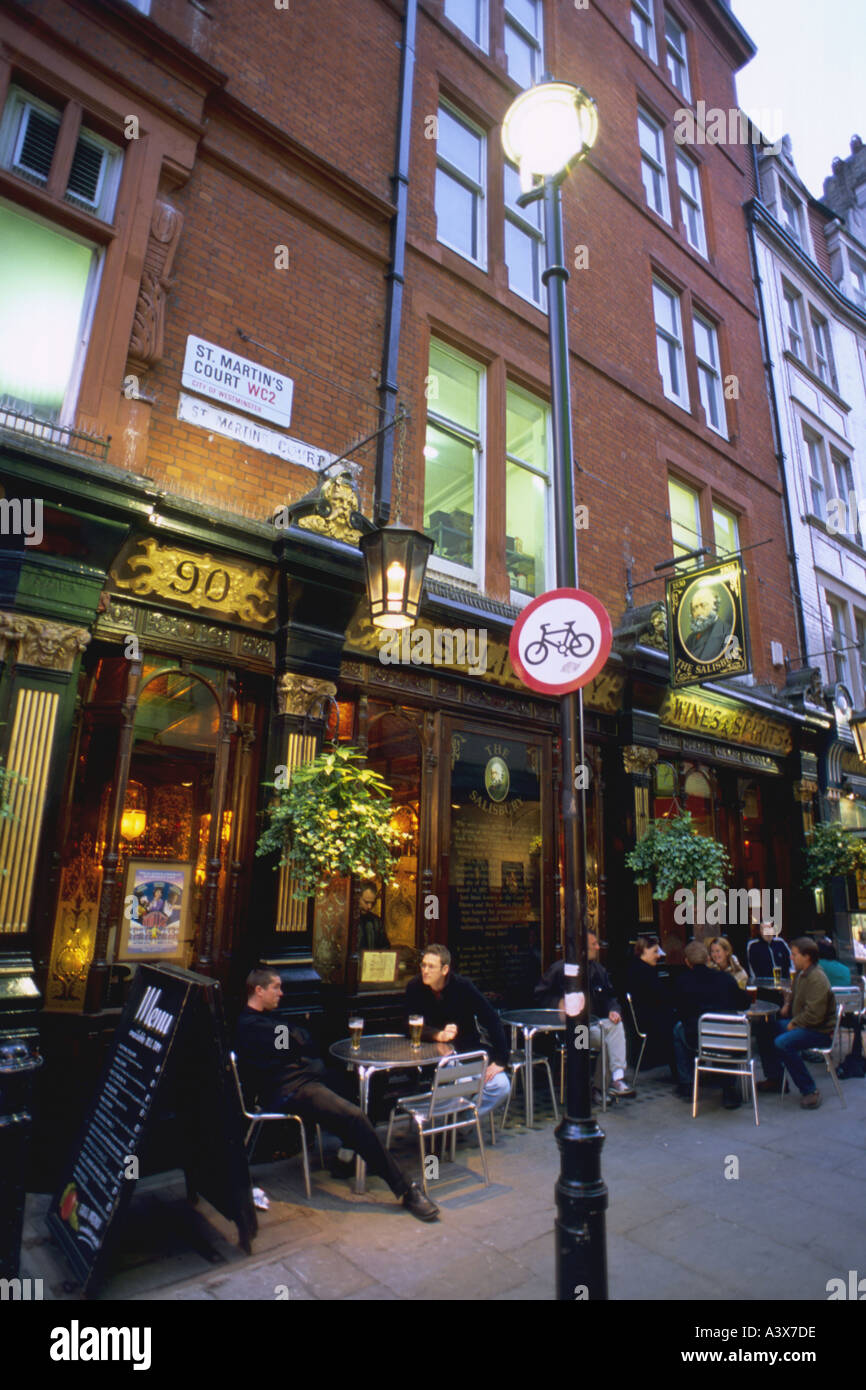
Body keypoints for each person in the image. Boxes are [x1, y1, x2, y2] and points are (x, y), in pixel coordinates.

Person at [235, 968, 438, 1221]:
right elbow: (295, 1040)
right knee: (353, 1115)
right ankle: (407, 1189)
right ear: (259, 990)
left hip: (304, 1079)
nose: (281, 993)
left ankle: (349, 1155)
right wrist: (295, 1036)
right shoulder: (250, 1024)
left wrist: (296, 1037)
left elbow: (298, 1041)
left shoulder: (268, 1019)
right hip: (289, 1091)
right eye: (276, 987)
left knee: (371, 1084)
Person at [403, 945, 511, 1116]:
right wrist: (438, 1034)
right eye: (423, 965)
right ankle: (449, 1129)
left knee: (501, 1086)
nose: (425, 970)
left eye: (431, 966)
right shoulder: (415, 987)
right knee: (464, 1081)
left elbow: (491, 1018)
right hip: (435, 1059)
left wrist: (500, 1060)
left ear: (445, 969)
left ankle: (462, 1124)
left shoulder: (462, 986)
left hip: (468, 1052)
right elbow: (409, 1027)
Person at [535, 931, 636, 1099]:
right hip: (573, 1031)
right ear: (582, 948)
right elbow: (540, 995)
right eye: (594, 944)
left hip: (594, 1026)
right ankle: (596, 1090)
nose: (598, 947)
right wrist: (558, 1004)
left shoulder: (599, 970)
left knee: (615, 1027)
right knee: (606, 1041)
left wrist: (614, 1010)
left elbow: (611, 996)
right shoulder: (560, 969)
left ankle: (617, 1078)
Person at [755, 938, 837, 1108]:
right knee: (764, 1028)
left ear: (806, 956)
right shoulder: (801, 975)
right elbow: (794, 998)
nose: (791, 958)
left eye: (794, 954)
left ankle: (810, 1090)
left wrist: (794, 1023)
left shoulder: (817, 978)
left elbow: (815, 1015)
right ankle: (775, 1078)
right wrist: (786, 1005)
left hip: (819, 1031)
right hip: (806, 1025)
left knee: (782, 1043)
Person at [673, 940, 748, 1106]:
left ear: (687, 962)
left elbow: (680, 1010)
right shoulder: (726, 979)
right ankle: (729, 1089)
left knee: (678, 1029)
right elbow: (744, 1003)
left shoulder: (682, 981)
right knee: (723, 1032)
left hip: (698, 1040)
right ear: (708, 958)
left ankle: (686, 1083)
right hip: (730, 1038)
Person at [624, 934, 675, 1076]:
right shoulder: (644, 972)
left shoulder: (637, 968)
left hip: (645, 1017)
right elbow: (660, 996)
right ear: (644, 950)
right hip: (649, 1019)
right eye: (655, 951)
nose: (658, 956)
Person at [685, 587, 728, 662]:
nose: (698, 612)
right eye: (694, 608)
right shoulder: (690, 639)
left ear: (715, 605)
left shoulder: (727, 632)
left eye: (703, 605)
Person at [357, 882, 390, 951]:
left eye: (372, 903)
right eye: (366, 902)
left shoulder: (376, 921)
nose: (370, 906)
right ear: (357, 898)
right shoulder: (346, 919)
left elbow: (385, 948)